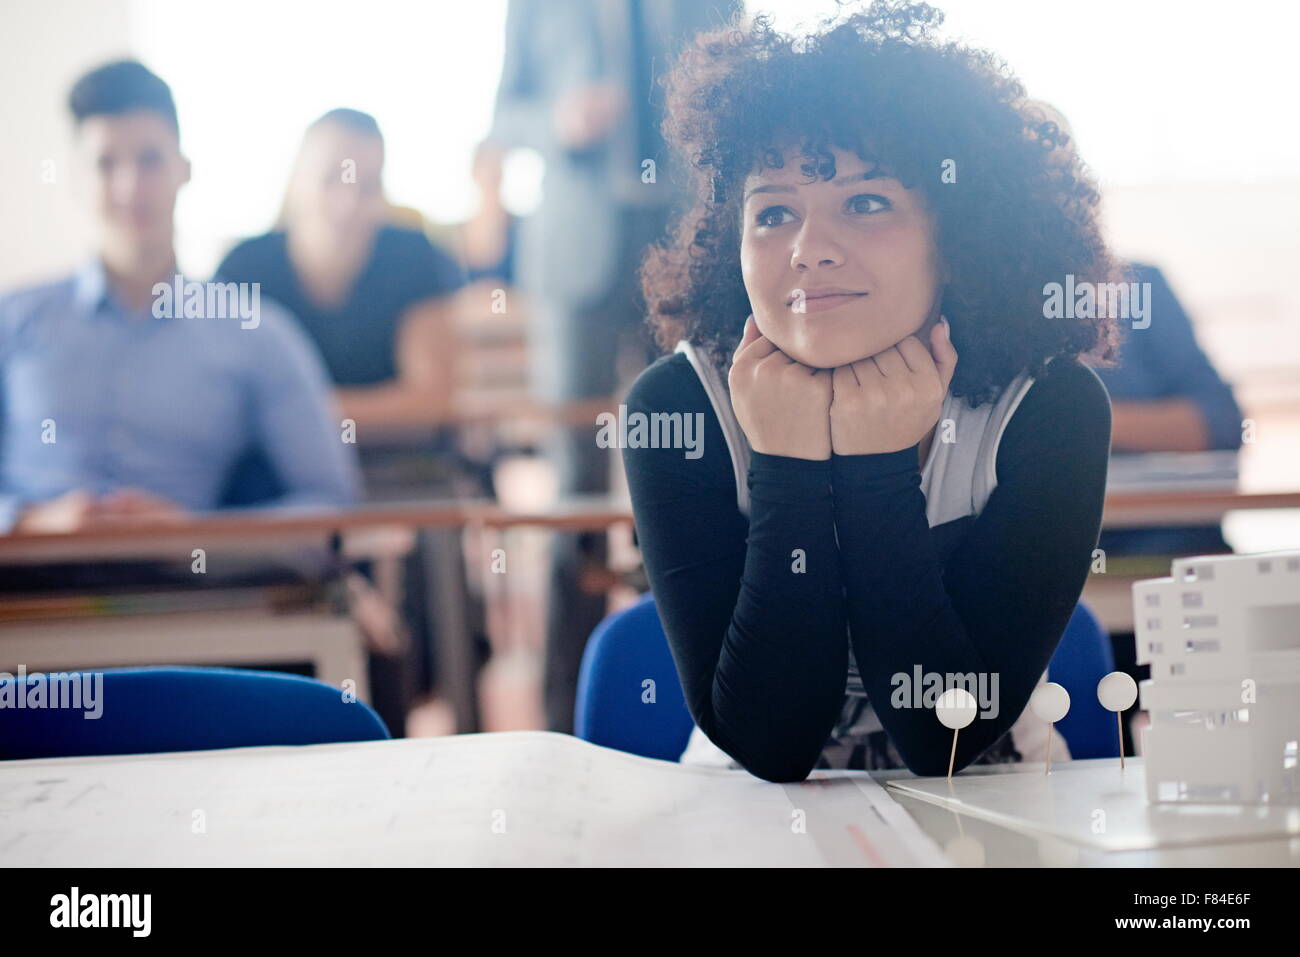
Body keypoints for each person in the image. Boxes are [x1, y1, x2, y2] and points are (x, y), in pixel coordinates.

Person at [622, 5, 1119, 781]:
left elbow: (942, 737)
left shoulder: (1050, 409)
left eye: (865, 202)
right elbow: (769, 745)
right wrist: (787, 462)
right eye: (774, 212)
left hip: (994, 808)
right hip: (744, 820)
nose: (809, 250)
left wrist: (875, 460)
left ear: (955, 236)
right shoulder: (680, 410)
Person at [491, 0, 739, 734]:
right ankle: (564, 711)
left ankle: (703, 690)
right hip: (576, 252)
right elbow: (507, 112)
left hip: (686, 236)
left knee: (699, 459)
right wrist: (557, 123)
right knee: (573, 482)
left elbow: (737, 86)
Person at [0, 60, 360, 539]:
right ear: (75, 179)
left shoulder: (256, 333)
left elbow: (333, 502)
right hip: (22, 593)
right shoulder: (15, 320)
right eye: (106, 163)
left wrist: (198, 533)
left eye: (150, 159)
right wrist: (30, 522)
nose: (130, 187)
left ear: (184, 169)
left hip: (189, 591)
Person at [216, 108, 464, 435]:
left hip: (401, 465)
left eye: (368, 186)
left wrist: (294, 412)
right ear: (296, 181)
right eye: (331, 178)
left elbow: (432, 401)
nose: (347, 203)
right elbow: (223, 401)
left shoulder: (415, 257)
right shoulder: (244, 268)